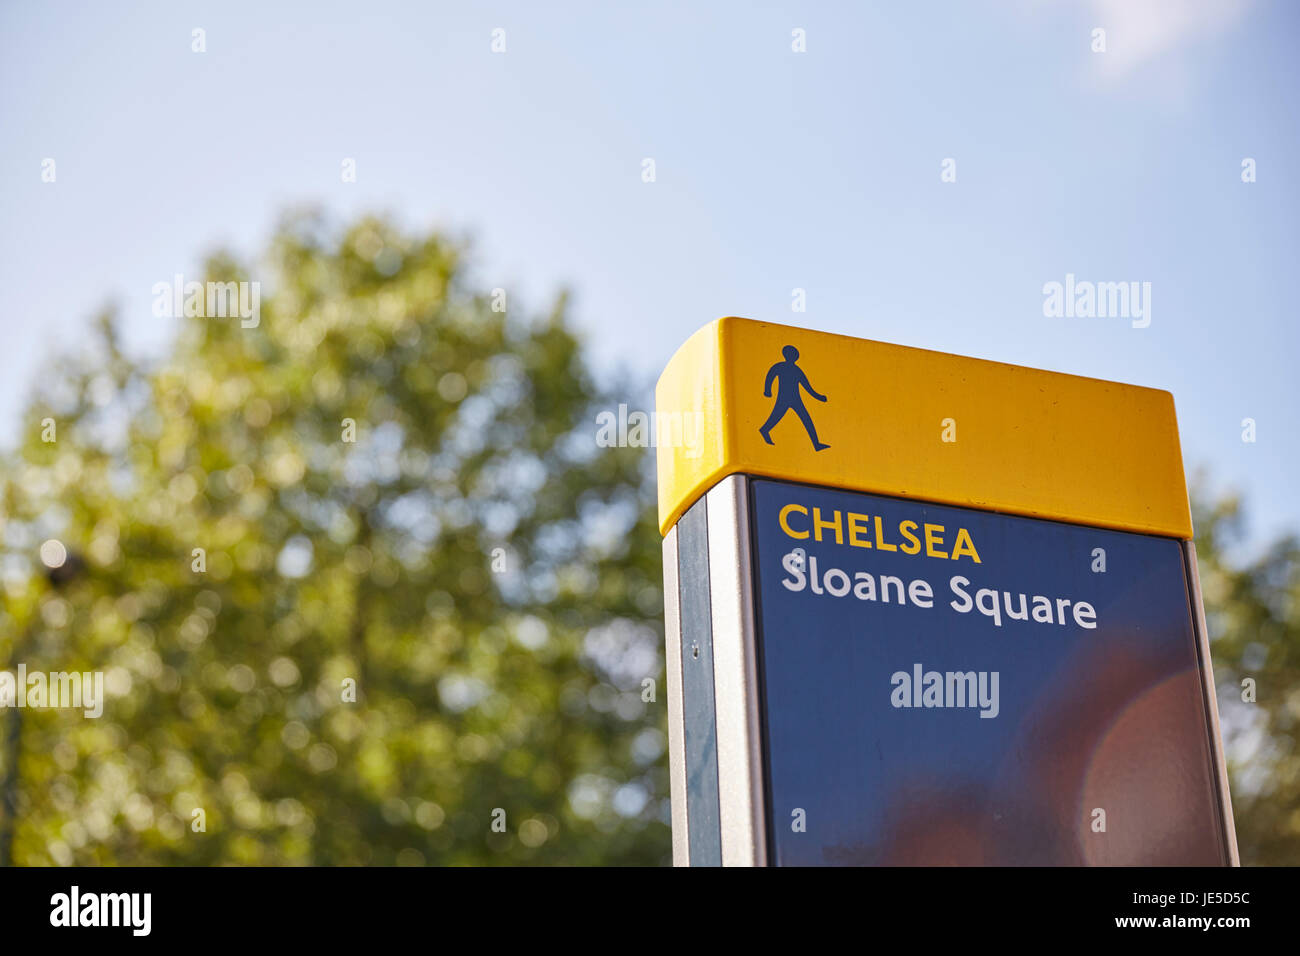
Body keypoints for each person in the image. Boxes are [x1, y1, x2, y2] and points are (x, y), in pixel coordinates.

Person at [759, 345, 829, 450]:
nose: (794, 357)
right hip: (784, 398)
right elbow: (770, 375)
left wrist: (819, 397)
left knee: (806, 419)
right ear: (786, 355)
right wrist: (767, 390)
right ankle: (764, 430)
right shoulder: (780, 366)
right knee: (776, 417)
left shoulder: (797, 370)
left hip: (796, 399)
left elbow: (807, 386)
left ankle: (816, 444)